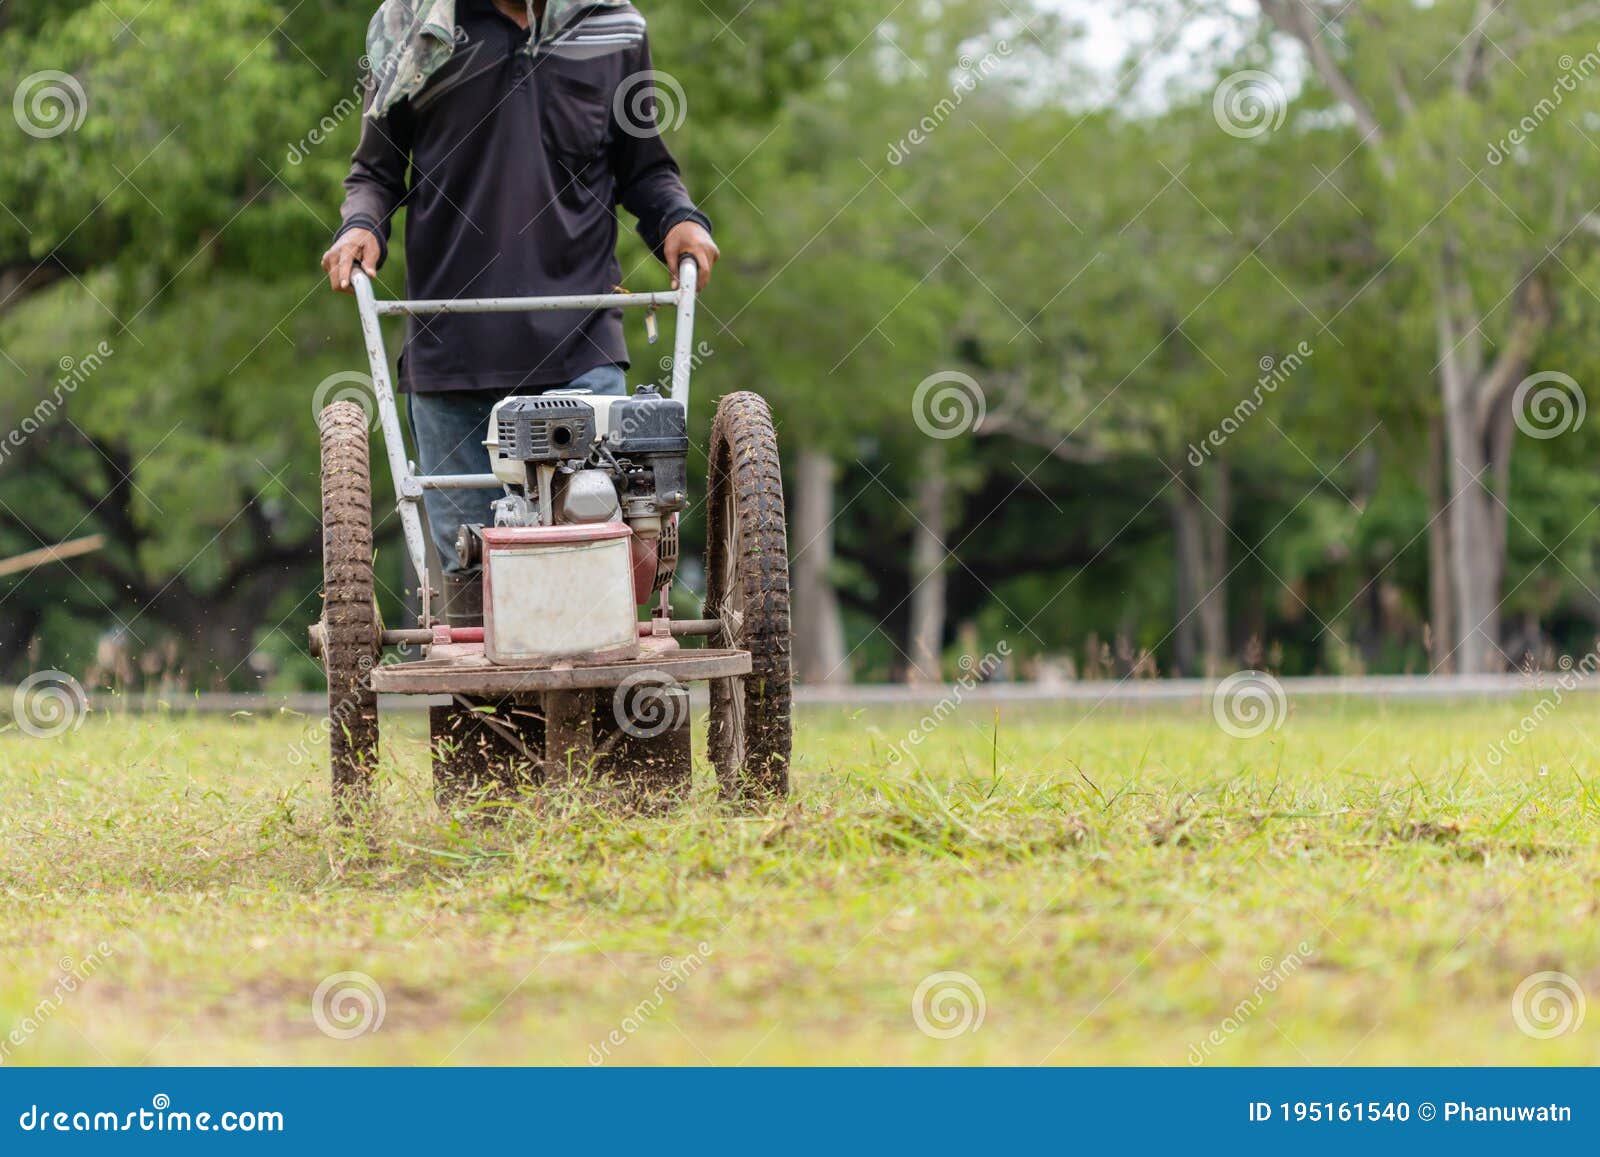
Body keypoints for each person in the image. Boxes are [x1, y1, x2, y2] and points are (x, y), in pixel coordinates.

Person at [322, 0, 718, 624]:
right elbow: (374, 170)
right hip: (450, 357)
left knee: (596, 556)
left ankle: (609, 714)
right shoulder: (413, 27)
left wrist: (679, 220)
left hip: (580, 347)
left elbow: (644, 166)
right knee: (472, 595)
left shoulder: (614, 27)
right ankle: (481, 725)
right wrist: (362, 225)